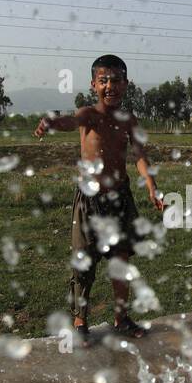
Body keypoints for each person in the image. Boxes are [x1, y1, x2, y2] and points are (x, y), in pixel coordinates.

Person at [35, 54, 164, 345]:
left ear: (126, 84)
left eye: (116, 80)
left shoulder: (130, 120)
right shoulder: (89, 114)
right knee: (84, 262)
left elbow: (140, 156)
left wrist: (152, 185)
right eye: (103, 80)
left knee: (120, 259)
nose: (110, 86)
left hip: (120, 199)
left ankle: (121, 318)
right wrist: (51, 123)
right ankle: (80, 322)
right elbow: (70, 120)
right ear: (94, 84)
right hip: (89, 201)